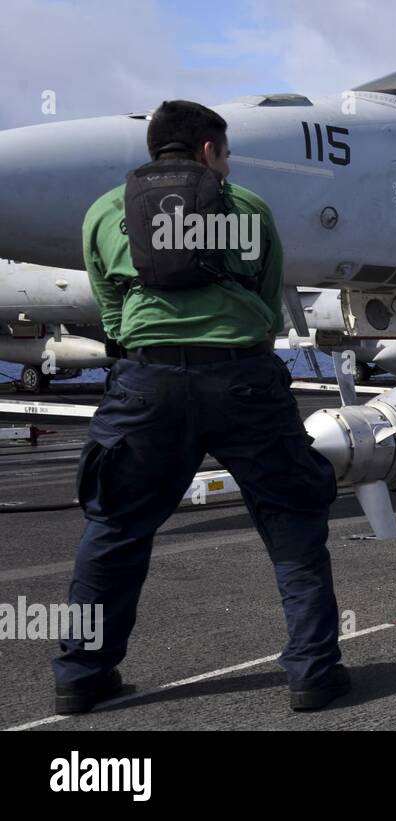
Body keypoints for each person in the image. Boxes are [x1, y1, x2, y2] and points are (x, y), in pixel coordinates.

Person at [54, 100, 349, 714]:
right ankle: (313, 674)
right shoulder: (247, 209)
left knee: (114, 527)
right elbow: (270, 304)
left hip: (146, 385)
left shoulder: (106, 212)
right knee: (292, 520)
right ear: (212, 152)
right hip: (244, 381)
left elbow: (109, 309)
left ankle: (82, 676)